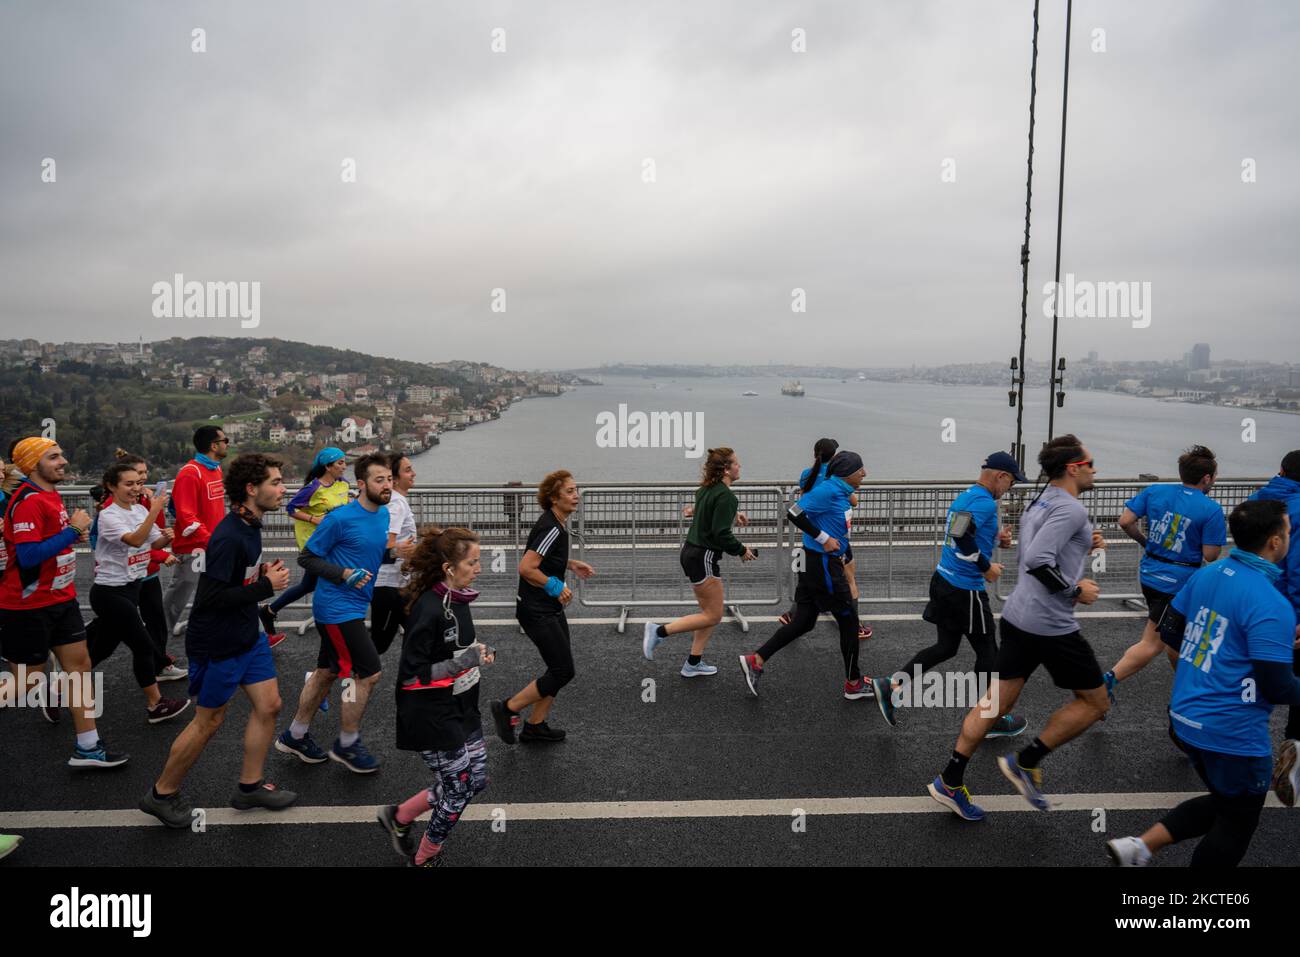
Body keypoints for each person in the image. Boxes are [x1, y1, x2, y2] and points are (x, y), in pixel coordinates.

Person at [1107, 499, 1300, 866]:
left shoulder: (1207, 573)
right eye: (1288, 530)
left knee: (1227, 803)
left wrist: (1259, 646)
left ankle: (1140, 847)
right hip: (1233, 733)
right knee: (1238, 822)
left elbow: (1171, 633)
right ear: (1275, 542)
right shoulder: (1272, 604)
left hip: (1184, 718)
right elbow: (1278, 688)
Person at [926, 435, 1107, 821]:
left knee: (998, 702)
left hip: (1017, 616)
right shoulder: (1067, 509)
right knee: (1096, 702)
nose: (1095, 469)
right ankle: (1027, 761)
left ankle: (950, 779)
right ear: (1073, 467)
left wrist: (1080, 546)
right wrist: (1076, 589)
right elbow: (1039, 559)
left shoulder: (1038, 502)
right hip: (1050, 623)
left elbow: (1035, 550)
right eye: (1091, 463)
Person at [138, 453, 295, 827]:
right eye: (275, 482)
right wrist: (264, 586)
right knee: (209, 721)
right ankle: (161, 794)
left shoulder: (250, 525)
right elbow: (210, 600)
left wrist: (259, 578)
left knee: (269, 705)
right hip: (220, 640)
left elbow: (234, 582)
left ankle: (249, 786)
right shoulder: (228, 536)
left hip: (247, 634)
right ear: (251, 489)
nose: (282, 488)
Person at [872, 452, 1028, 737]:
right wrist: (986, 567)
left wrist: (996, 539)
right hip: (964, 590)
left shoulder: (968, 495)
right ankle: (989, 720)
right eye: (1012, 484)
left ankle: (891, 684)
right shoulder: (982, 502)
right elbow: (960, 534)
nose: (1010, 489)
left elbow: (966, 531)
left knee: (946, 647)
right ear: (1001, 476)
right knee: (989, 653)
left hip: (945, 580)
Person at [0, 437, 124, 768]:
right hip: (28, 606)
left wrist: (70, 534)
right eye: (54, 457)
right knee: (28, 681)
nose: (63, 461)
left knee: (79, 667)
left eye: (62, 455)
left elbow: (50, 544)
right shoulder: (27, 502)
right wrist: (71, 532)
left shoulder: (50, 496)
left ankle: (88, 748)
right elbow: (27, 556)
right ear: (32, 464)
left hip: (61, 599)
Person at [377, 527, 493, 867]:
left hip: (462, 707)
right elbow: (414, 675)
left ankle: (399, 816)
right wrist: (463, 661)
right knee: (458, 790)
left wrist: (477, 653)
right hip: (431, 715)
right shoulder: (428, 609)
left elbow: (456, 649)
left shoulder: (458, 597)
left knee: (477, 781)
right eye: (473, 562)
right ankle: (424, 857)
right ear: (449, 567)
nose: (479, 568)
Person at [275, 453, 393, 773]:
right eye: (379, 479)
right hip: (337, 609)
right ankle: (347, 742)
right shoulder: (339, 518)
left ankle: (295, 735)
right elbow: (308, 559)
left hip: (354, 605)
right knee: (367, 672)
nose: (386, 485)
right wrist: (343, 574)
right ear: (361, 484)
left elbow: (370, 552)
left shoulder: (382, 516)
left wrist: (398, 556)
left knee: (327, 672)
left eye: (389, 479)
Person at [737, 451, 873, 699]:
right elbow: (794, 512)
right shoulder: (829, 490)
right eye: (860, 469)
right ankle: (854, 683)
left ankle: (756, 660)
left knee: (804, 621)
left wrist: (837, 546)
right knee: (849, 621)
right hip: (821, 565)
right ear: (847, 473)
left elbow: (829, 519)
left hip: (817, 563)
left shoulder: (841, 491)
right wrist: (824, 539)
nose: (865, 473)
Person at [1102, 446, 1226, 702]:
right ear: (1206, 478)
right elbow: (1210, 555)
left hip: (1149, 575)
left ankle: (1190, 691)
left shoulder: (1155, 491)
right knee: (1155, 643)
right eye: (1214, 477)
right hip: (1179, 584)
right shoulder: (1210, 509)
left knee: (1171, 640)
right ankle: (1106, 683)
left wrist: (1146, 542)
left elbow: (1125, 521)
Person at [490, 470, 595, 744]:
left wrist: (569, 564)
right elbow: (526, 567)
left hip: (546, 608)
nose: (576, 496)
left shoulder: (558, 524)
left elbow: (545, 557)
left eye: (576, 490)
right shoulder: (551, 526)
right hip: (536, 611)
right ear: (553, 497)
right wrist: (555, 586)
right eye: (570, 491)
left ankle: (535, 725)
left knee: (558, 667)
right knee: (563, 670)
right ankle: (508, 708)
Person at [85, 461, 189, 722]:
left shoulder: (139, 510)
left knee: (101, 650)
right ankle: (156, 704)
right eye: (128, 484)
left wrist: (171, 535)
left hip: (131, 589)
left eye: (139, 483)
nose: (135, 489)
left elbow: (154, 541)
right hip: (110, 593)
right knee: (143, 646)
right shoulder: (109, 516)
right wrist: (154, 511)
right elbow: (134, 540)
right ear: (111, 486)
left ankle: (58, 688)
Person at [643, 447, 756, 676]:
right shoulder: (726, 496)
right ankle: (658, 631)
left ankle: (693, 663)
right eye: (736, 463)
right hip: (703, 556)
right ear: (726, 469)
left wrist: (734, 514)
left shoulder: (707, 489)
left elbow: (702, 508)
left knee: (708, 612)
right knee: (713, 615)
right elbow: (721, 533)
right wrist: (742, 550)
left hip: (692, 552)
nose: (739, 466)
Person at [1245, 449, 1300, 806]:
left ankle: (1240, 747)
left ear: (1280, 470)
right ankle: (1292, 755)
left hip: (1251, 603)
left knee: (1251, 677)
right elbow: (1296, 569)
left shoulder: (1257, 501)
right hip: (1285, 611)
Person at [777, 438, 872, 640]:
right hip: (831, 538)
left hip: (809, 536)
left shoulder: (806, 474)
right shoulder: (836, 479)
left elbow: (802, 500)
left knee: (807, 582)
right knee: (849, 580)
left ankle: (792, 615)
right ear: (835, 456)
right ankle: (855, 624)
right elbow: (852, 501)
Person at [106, 450, 186, 683]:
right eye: (136, 476)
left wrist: (157, 511)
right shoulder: (111, 510)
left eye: (144, 474)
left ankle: (158, 665)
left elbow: (154, 535)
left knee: (155, 623)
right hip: (124, 580)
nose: (142, 479)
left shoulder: (142, 502)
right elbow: (133, 543)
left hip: (147, 574)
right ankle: (72, 669)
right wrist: (160, 556)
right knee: (111, 633)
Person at [259, 447, 350, 639]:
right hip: (314, 544)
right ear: (327, 466)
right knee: (334, 580)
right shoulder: (313, 488)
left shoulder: (343, 484)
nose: (345, 466)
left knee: (310, 585)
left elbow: (344, 505)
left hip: (334, 542)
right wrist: (314, 520)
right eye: (340, 463)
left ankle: (270, 611)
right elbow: (291, 509)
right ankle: (334, 623)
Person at [163, 425, 229, 636]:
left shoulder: (216, 468)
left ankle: (243, 635)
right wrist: (211, 540)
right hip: (194, 548)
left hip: (212, 545)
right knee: (178, 598)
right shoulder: (190, 474)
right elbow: (186, 516)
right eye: (225, 440)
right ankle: (156, 642)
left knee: (224, 590)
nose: (228, 444)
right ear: (213, 445)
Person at [370, 452, 418, 656]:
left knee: (419, 634)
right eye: (408, 470)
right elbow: (387, 544)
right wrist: (404, 551)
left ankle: (418, 680)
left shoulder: (396, 501)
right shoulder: (396, 504)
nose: (413, 474)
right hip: (388, 586)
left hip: (400, 583)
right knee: (377, 646)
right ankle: (330, 671)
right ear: (395, 479)